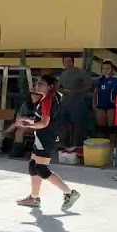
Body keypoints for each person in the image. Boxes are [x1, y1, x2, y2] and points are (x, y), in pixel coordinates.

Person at [15, 75, 79, 210]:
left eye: (41, 84)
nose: (37, 85)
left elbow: (44, 123)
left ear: (49, 86)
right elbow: (45, 120)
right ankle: (34, 197)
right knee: (33, 165)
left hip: (47, 137)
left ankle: (69, 193)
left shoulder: (47, 100)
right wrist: (28, 121)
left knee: (41, 169)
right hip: (45, 135)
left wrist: (28, 125)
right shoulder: (51, 97)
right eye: (37, 83)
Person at [57, 55, 92, 149]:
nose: (67, 63)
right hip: (65, 101)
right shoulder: (63, 74)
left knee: (77, 123)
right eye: (65, 61)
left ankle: (76, 144)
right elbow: (58, 86)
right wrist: (62, 91)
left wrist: (77, 91)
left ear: (73, 61)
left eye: (69, 61)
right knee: (64, 122)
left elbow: (88, 85)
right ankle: (63, 143)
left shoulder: (81, 72)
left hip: (78, 100)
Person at [93, 60, 117, 138]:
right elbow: (95, 93)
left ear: (111, 69)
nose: (105, 70)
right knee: (101, 125)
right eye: (104, 68)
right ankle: (103, 143)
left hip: (111, 105)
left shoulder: (116, 80)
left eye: (108, 68)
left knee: (111, 125)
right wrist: (94, 104)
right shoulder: (98, 80)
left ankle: (112, 144)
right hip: (100, 105)